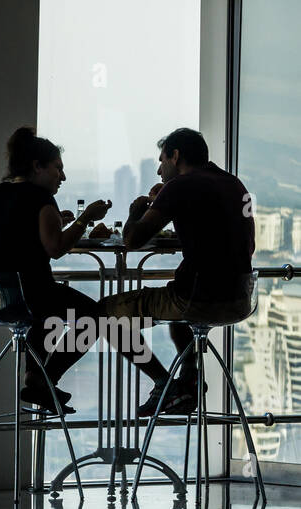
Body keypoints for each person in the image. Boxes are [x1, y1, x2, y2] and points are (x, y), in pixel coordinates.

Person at [104, 127, 256, 416]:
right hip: (238, 299)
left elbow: (132, 240)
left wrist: (136, 211)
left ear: (175, 156)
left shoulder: (181, 186)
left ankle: (163, 383)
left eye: (162, 161)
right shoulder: (234, 184)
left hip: (197, 297)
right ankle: (188, 379)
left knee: (102, 315)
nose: (160, 171)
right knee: (178, 308)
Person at [0, 127, 114, 413]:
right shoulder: (40, 198)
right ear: (37, 166)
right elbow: (56, 248)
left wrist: (55, 221)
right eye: (57, 168)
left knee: (46, 305)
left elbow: (13, 236)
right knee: (94, 317)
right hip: (27, 295)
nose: (62, 177)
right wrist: (85, 219)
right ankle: (46, 378)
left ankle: (36, 377)